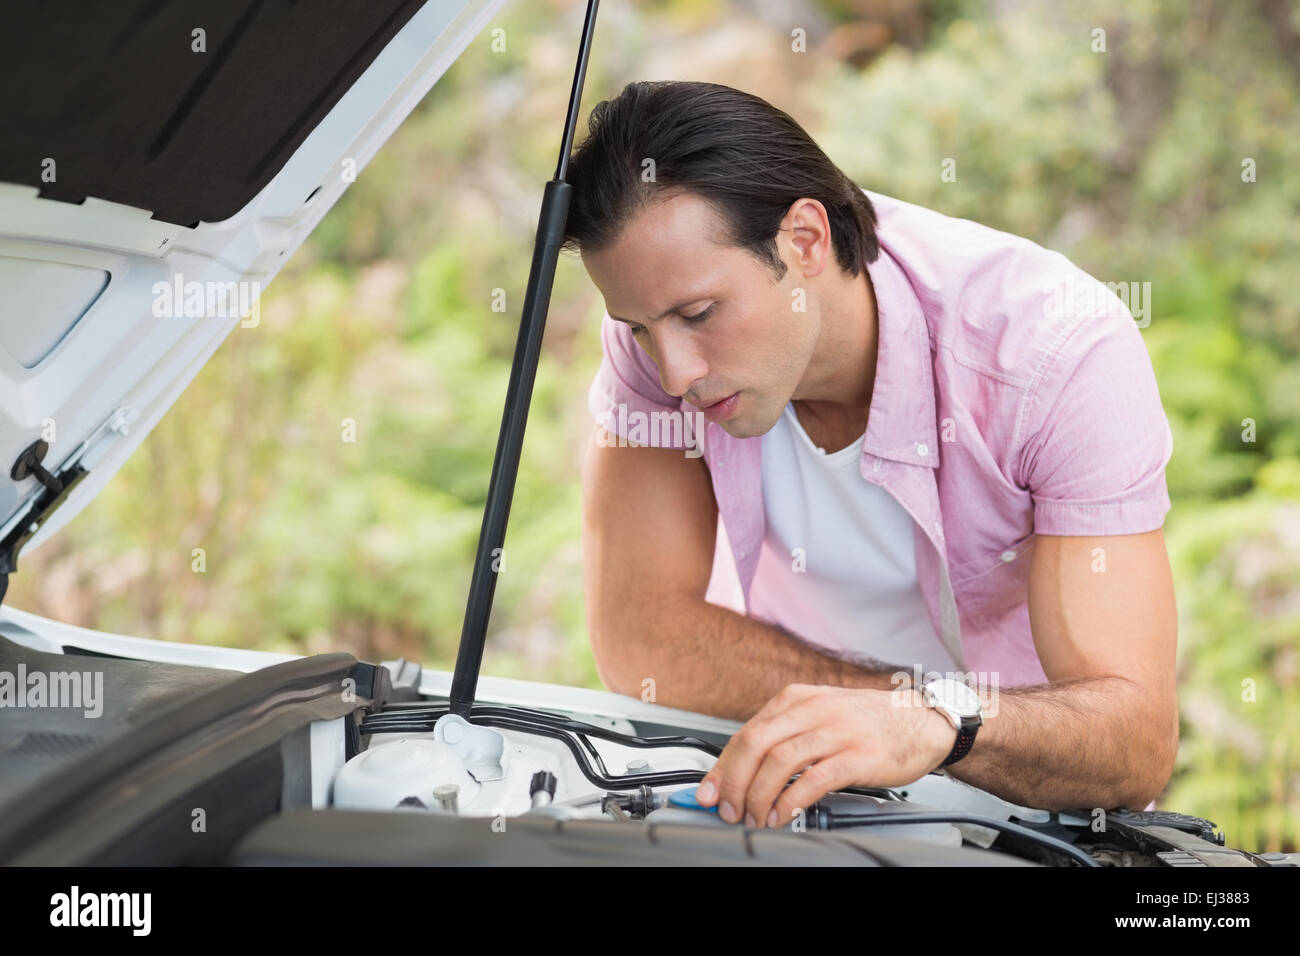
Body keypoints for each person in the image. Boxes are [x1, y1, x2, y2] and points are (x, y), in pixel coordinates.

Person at [561, 80, 1176, 826]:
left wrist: (929, 720)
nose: (675, 375)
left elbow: (1133, 739)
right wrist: (872, 715)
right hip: (798, 800)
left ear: (806, 241)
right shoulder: (660, 329)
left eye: (699, 314)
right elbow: (641, 639)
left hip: (1024, 816)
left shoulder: (1056, 352)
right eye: (639, 329)